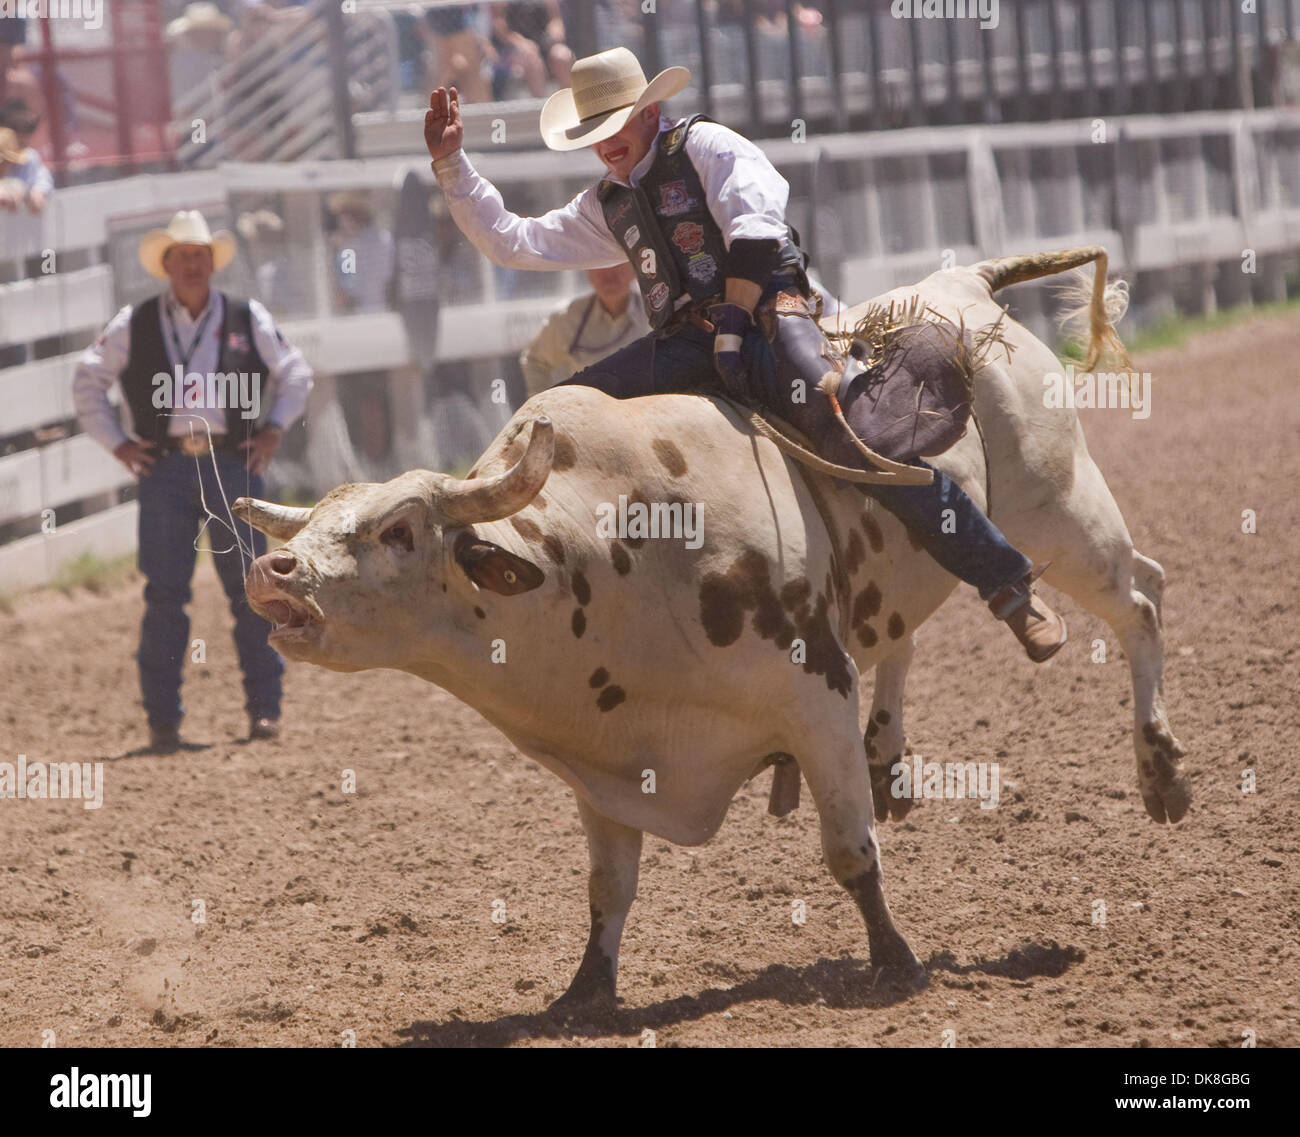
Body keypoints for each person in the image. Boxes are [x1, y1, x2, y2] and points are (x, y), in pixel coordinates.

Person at [423, 47, 1068, 661]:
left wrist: (732, 329)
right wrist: (453, 168)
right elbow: (517, 242)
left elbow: (757, 236)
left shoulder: (706, 145)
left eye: (616, 123)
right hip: (685, 345)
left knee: (860, 438)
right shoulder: (607, 203)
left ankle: (1009, 586)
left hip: (766, 319)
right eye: (594, 130)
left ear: (650, 112)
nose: (606, 141)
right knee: (562, 412)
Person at [72, 210, 315, 753]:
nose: (193, 265)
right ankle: (164, 721)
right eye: (183, 256)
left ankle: (264, 711)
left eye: (200, 256)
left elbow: (296, 370)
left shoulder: (244, 314)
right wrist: (117, 443)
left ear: (211, 262)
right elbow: (87, 380)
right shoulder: (132, 323)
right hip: (166, 467)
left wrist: (274, 429)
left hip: (232, 464)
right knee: (164, 596)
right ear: (167, 265)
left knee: (254, 591)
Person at [520, 262, 646, 396]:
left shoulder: (656, 314)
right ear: (589, 273)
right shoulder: (567, 318)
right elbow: (535, 360)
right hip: (588, 413)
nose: (609, 275)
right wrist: (542, 407)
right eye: (600, 265)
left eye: (616, 264)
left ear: (634, 269)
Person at [0, 123, 51, 213]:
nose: (10, 164)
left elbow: (43, 181)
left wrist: (31, 193)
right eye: (7, 161)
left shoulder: (31, 157)